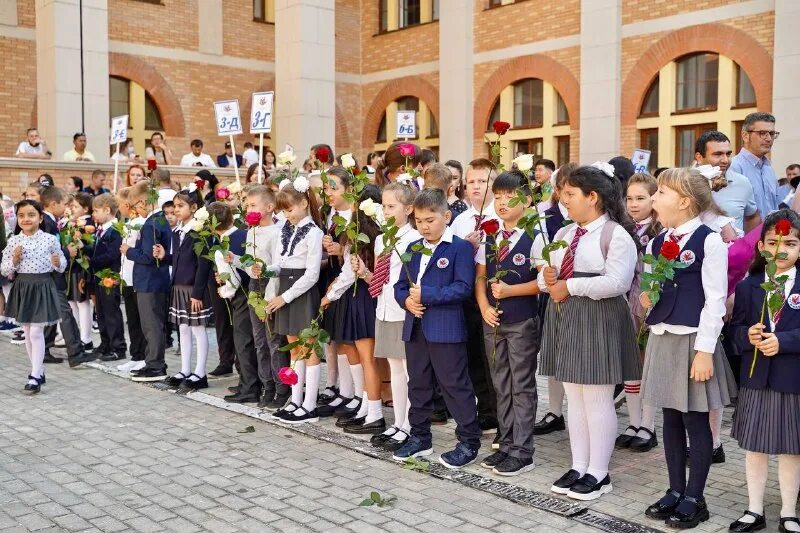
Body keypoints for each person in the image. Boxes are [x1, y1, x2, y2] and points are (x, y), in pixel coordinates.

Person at [639, 167, 736, 529]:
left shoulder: (709, 241)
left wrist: (706, 350)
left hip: (694, 340)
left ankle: (696, 497)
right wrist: (649, 298)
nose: (654, 197)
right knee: (670, 417)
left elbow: (714, 301)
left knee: (695, 419)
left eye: (661, 192)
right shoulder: (656, 240)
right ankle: (675, 489)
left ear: (684, 201)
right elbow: (658, 286)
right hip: (664, 337)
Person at [539, 165, 641, 500]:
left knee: (597, 398)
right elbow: (545, 277)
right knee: (574, 397)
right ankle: (578, 464)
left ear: (592, 197)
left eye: (570, 194)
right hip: (566, 317)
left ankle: (599, 471)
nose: (563, 200)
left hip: (599, 318)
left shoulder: (615, 234)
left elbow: (617, 283)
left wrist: (570, 284)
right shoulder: (565, 235)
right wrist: (548, 278)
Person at [392, 188, 481, 468]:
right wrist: (406, 300)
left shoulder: (459, 248)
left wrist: (426, 295)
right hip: (415, 326)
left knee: (454, 384)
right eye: (419, 220)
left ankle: (469, 441)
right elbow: (399, 285)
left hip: (446, 328)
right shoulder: (412, 247)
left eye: (430, 220)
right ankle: (420, 437)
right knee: (417, 383)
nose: (424, 226)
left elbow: (463, 288)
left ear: (446, 215)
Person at [729, 209, 800, 533]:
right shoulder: (748, 287)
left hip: (792, 381)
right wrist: (748, 336)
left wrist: (782, 341)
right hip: (756, 381)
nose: (779, 251)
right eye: (772, 242)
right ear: (761, 247)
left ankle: (788, 512)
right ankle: (754, 510)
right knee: (755, 448)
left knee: (791, 451)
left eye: (790, 243)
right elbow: (734, 331)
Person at [475, 170, 543, 476]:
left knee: (522, 385)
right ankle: (506, 443)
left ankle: (522, 449)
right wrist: (484, 306)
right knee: (500, 383)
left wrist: (511, 290)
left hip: (522, 321)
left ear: (527, 200)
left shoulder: (536, 235)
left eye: (509, 197)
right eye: (497, 197)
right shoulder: (491, 233)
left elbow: (543, 282)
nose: (502, 203)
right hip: (493, 321)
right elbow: (481, 276)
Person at [324, 178, 383, 435]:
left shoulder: (361, 233)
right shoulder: (370, 231)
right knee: (361, 356)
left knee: (367, 359)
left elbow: (350, 271)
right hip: (362, 295)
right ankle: (364, 406)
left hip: (362, 295)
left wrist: (331, 294)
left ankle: (374, 412)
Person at [363, 182, 420, 451]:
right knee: (395, 369)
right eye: (383, 206)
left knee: (408, 370)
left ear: (409, 208)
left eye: (391, 206)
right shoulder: (380, 239)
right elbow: (380, 278)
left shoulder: (413, 239)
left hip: (402, 310)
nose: (385, 211)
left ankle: (409, 425)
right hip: (383, 308)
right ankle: (398, 423)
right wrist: (364, 273)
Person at [265, 178, 324, 423]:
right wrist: (265, 271)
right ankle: (295, 399)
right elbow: (280, 265)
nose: (287, 215)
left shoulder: (314, 232)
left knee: (308, 347)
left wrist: (284, 297)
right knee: (294, 348)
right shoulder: (285, 230)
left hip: (300, 292)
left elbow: (312, 274)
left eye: (289, 210)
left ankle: (310, 405)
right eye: (283, 211)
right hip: (286, 289)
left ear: (303, 203)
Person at [450, 158, 500, 437]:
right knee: (473, 356)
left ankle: (500, 411)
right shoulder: (460, 221)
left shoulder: (500, 215)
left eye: (483, 181)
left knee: (493, 356)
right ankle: (485, 411)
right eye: (472, 182)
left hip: (494, 294)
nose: (477, 187)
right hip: (467, 295)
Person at [229, 185, 289, 409]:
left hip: (270, 287)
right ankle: (267, 386)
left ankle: (282, 388)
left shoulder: (277, 233)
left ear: (270, 207)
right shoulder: (251, 232)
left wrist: (269, 298)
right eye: (247, 205)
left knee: (274, 341)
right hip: (255, 287)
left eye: (253, 205)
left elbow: (278, 266)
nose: (248, 209)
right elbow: (249, 265)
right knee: (259, 341)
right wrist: (235, 259)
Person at [615, 173, 661, 453]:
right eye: (629, 198)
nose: (633, 204)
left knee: (647, 363)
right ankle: (633, 422)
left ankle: (649, 425)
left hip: (647, 302)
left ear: (653, 199)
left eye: (640, 198)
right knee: (630, 363)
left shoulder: (659, 232)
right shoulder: (621, 228)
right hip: (623, 301)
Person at [1, 200, 66, 393]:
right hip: (22, 287)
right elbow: (4, 270)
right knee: (28, 332)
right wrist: (14, 259)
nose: (26, 219)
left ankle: (35, 375)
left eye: (31, 215)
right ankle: (38, 370)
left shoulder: (49, 239)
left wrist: (56, 262)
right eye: (21, 215)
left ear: (40, 217)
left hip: (42, 286)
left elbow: (62, 264)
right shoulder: (13, 241)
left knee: (36, 332)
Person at [155, 191, 213, 390]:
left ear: (194, 208)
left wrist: (198, 293)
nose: (176, 210)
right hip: (179, 286)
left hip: (193, 289)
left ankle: (200, 373)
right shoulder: (178, 231)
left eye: (180, 206)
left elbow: (203, 264)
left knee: (197, 329)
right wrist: (166, 256)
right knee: (183, 328)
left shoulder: (199, 232)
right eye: (175, 206)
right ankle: (185, 369)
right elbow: (181, 260)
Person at [533, 163, 575, 437]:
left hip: (578, 292)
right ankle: (555, 411)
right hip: (552, 291)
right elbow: (538, 256)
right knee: (553, 353)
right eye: (567, 190)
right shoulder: (544, 217)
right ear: (557, 190)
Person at [120, 180, 173, 381]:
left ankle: (156, 365)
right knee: (152, 325)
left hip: (150, 281)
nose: (136, 211)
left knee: (152, 325)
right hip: (152, 281)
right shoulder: (158, 220)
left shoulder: (152, 223)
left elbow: (147, 257)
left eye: (135, 206)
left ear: (143, 202)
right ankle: (153, 361)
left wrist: (128, 251)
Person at [39, 186, 95, 367]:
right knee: (65, 313)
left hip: (50, 274)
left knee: (52, 313)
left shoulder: (50, 220)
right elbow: (46, 251)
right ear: (53, 203)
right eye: (64, 204)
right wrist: (66, 251)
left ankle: (45, 349)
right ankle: (76, 354)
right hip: (51, 275)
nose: (66, 208)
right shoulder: (46, 223)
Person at [694, 131, 760, 233]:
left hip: (733, 248)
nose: (725, 160)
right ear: (699, 157)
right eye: (718, 154)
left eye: (728, 154)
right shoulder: (683, 183)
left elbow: (752, 217)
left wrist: (748, 245)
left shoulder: (742, 182)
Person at [89, 193, 126, 362]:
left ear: (107, 210)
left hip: (109, 276)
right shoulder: (101, 229)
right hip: (99, 277)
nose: (93, 215)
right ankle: (106, 343)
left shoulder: (115, 230)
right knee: (101, 312)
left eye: (96, 211)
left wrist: (92, 261)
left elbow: (112, 255)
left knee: (111, 313)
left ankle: (118, 347)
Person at [115, 187, 147, 373]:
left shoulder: (140, 223)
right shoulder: (128, 223)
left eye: (120, 204)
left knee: (141, 319)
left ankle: (143, 355)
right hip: (127, 277)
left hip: (137, 278)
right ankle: (135, 355)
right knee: (132, 320)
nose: (119, 208)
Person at [730, 112, 781, 218]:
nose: (769, 139)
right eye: (762, 133)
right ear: (745, 136)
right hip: (745, 234)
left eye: (772, 133)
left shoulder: (769, 169)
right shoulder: (733, 167)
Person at [65, 192, 95, 352]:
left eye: (76, 207)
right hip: (71, 267)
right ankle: (75, 335)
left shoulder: (89, 223)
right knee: (72, 302)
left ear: (85, 209)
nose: (72, 209)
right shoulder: (73, 222)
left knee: (82, 303)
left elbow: (90, 244)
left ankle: (86, 338)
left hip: (82, 267)